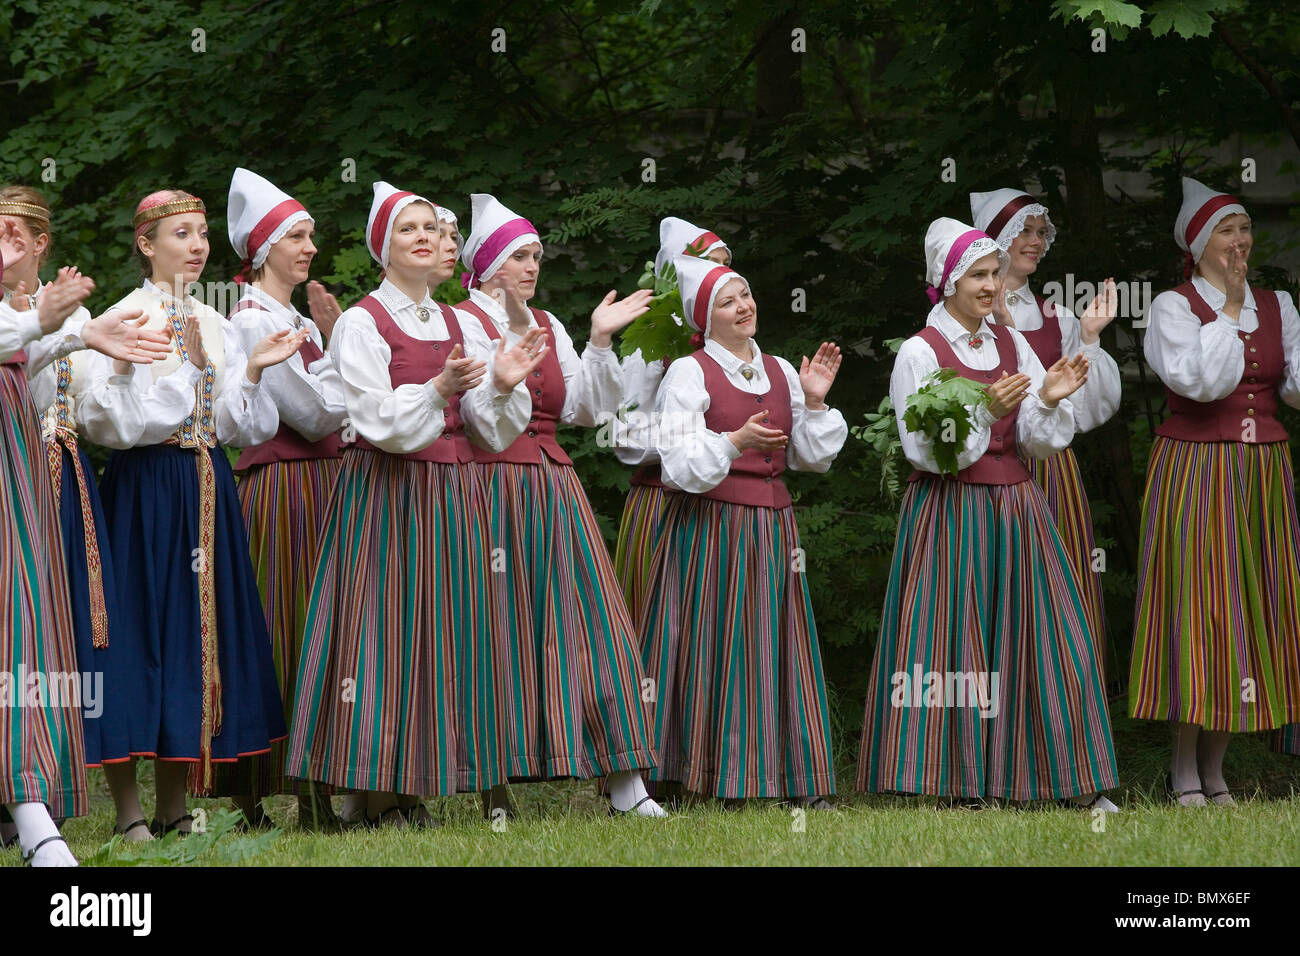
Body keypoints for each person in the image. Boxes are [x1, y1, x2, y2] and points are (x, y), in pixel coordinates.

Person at [286, 183, 547, 827]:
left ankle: (441, 776)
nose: (425, 237)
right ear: (383, 247)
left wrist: (505, 386)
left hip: (455, 492)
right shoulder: (360, 321)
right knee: (387, 633)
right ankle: (378, 792)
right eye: (408, 230)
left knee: (451, 634)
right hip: (388, 493)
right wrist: (434, 389)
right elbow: (376, 420)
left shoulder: (461, 320)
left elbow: (486, 428)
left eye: (431, 227)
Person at [858, 218, 1118, 809]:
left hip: (1019, 505)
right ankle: (962, 779)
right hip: (951, 511)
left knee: (1044, 636)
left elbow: (1032, 437)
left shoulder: (1010, 342)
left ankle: (1062, 778)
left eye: (994, 273)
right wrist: (980, 412)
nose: (990, 284)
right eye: (977, 274)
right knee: (955, 639)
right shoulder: (920, 353)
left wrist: (1047, 399)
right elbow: (923, 447)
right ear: (946, 282)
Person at [80, 189, 305, 836]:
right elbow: (108, 422)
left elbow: (233, 422)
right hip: (147, 489)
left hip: (207, 481)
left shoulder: (217, 321)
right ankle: (128, 814)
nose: (198, 245)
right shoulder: (122, 317)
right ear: (147, 245)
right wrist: (165, 380)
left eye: (202, 233)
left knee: (194, 639)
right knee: (136, 637)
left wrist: (255, 373)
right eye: (181, 234)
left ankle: (176, 807)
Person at [453, 193, 664, 817]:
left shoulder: (549, 324)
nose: (532, 266)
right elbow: (471, 415)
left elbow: (586, 411)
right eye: (520, 254)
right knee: (493, 632)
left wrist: (599, 341)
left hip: (552, 485)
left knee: (592, 623)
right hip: (487, 489)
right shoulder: (460, 321)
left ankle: (627, 784)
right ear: (489, 264)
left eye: (538, 255)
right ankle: (494, 789)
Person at [638, 253, 845, 805]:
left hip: (774, 531)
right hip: (710, 528)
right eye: (727, 302)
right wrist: (733, 443)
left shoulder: (779, 369)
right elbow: (678, 464)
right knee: (709, 645)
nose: (743, 306)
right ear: (706, 318)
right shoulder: (689, 371)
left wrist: (817, 400)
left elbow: (809, 457)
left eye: (746, 295)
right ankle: (702, 776)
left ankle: (790, 778)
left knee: (777, 647)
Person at [0, 189, 170, 848]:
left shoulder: (66, 313)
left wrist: (112, 356)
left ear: (40, 244)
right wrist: (52, 323)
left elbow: (108, 416)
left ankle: (47, 796)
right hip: (19, 470)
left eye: (15, 234)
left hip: (54, 481)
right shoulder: (44, 316)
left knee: (60, 636)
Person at [1130, 178, 1300, 804]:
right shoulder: (1174, 308)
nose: (1240, 240)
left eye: (1245, 228)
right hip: (1197, 469)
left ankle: (1218, 768)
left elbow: (1295, 389)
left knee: (1252, 608)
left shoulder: (1279, 303)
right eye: (1226, 231)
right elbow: (1200, 383)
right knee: (1199, 607)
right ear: (1199, 243)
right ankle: (1182, 768)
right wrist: (1229, 310)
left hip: (1263, 471)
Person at [210, 168, 348, 830]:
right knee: (280, 624)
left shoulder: (297, 319)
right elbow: (318, 417)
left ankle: (316, 783)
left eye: (312, 234)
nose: (311, 247)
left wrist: (329, 344)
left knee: (320, 629)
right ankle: (260, 791)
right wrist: (334, 354)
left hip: (319, 486)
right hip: (284, 486)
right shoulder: (252, 320)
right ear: (263, 249)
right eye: (297, 235)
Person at [970, 188, 1120, 667]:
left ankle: (1058, 709)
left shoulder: (1058, 315)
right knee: (1000, 591)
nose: (1034, 242)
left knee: (1061, 587)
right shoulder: (968, 315)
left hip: (1052, 470)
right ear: (997, 240)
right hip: (994, 469)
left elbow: (1088, 410)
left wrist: (1091, 338)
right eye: (1023, 232)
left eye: (1040, 233)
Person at [612, 216, 732, 631]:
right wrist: (686, 443)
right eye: (706, 265)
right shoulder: (650, 343)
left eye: (724, 266)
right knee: (662, 619)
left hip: (724, 502)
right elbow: (625, 439)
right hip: (662, 502)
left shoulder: (733, 344)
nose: (717, 276)